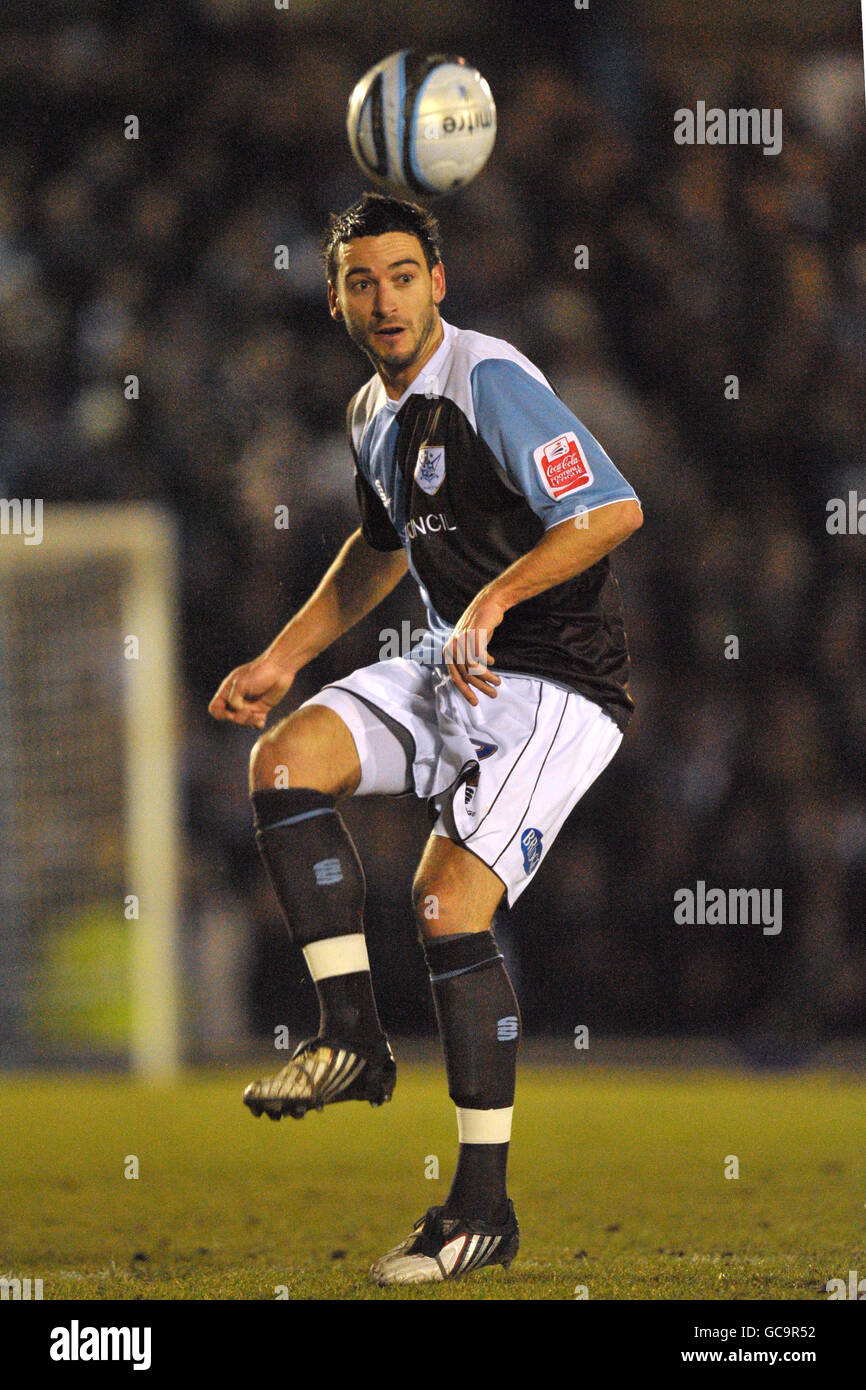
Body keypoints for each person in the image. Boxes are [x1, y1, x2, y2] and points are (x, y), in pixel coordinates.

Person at [208, 192, 643, 1285]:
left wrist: (492, 601)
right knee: (285, 757)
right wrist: (281, 658)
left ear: (436, 283)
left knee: (446, 902)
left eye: (403, 275)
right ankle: (349, 1035)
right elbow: (375, 548)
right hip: (461, 655)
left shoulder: (487, 378)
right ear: (334, 297)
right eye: (361, 280)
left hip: (554, 683)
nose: (384, 297)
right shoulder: (370, 411)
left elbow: (608, 509)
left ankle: (479, 1209)